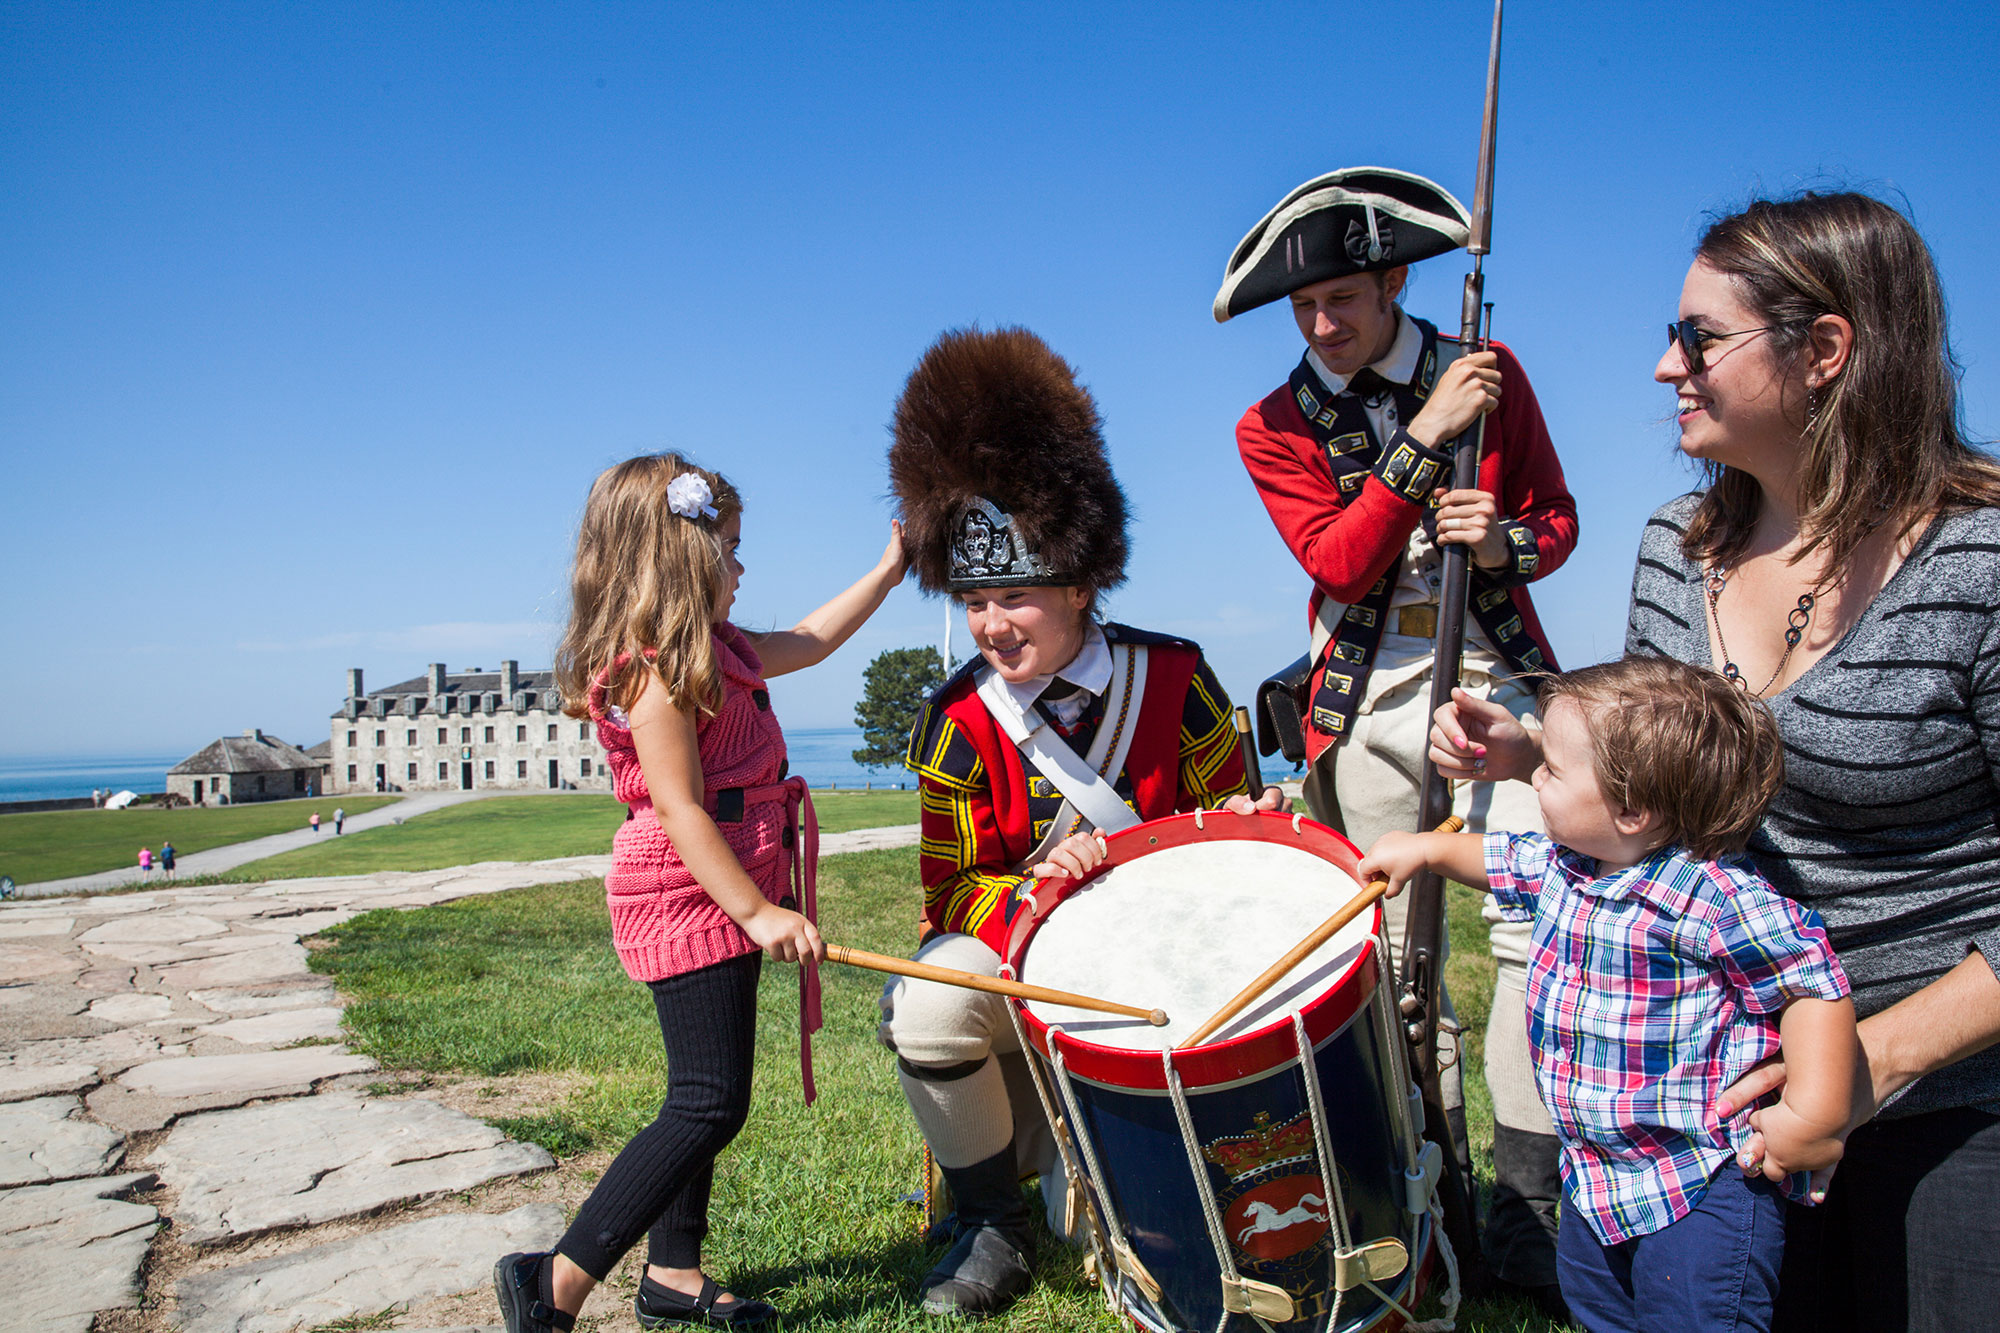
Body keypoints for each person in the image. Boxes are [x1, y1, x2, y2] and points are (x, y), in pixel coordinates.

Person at [1432, 190, 2000, 1331]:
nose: (1661, 366)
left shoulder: (1979, 564)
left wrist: (1868, 1059)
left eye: (1697, 337)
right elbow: (1672, 772)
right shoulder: (1670, 547)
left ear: (1824, 350)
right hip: (1709, 1115)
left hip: (1944, 1092)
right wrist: (1536, 750)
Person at [1215, 165, 1579, 1298]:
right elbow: (1335, 560)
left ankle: (1524, 1206)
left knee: (1535, 908)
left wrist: (1501, 539)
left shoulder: (1490, 369)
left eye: (1343, 302)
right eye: (1303, 310)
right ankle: (1428, 1201)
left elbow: (1557, 521)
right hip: (1365, 694)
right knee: (1394, 963)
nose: (1322, 328)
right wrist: (1425, 438)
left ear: (1393, 279)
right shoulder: (1270, 422)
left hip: (1494, 672)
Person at [881, 327, 1286, 1317]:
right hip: (1025, 969)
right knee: (924, 1001)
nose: (988, 625)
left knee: (1116, 1226)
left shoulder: (1179, 679)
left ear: (1079, 584)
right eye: (973, 601)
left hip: (1160, 981)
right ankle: (986, 1219)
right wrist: (1034, 895)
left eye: (1012, 596)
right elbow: (948, 896)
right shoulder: (957, 720)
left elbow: (1225, 834)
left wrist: (1243, 823)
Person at [492, 453, 906, 1333]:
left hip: (735, 875)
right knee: (709, 1100)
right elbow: (678, 805)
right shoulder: (650, 672)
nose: (743, 567)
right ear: (680, 556)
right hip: (690, 892)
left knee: (702, 1086)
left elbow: (817, 636)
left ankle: (673, 1272)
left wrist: (889, 567)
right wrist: (756, 913)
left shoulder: (722, 650)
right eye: (731, 548)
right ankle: (553, 1282)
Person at [1369, 657, 1856, 1330]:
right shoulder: (1569, 864)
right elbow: (1495, 858)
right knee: (1602, 1312)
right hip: (1597, 1180)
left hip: (1701, 1183)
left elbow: (1813, 985)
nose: (1533, 774)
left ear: (1630, 809)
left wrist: (1815, 1114)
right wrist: (1423, 850)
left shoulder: (1711, 896)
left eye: (1552, 769)